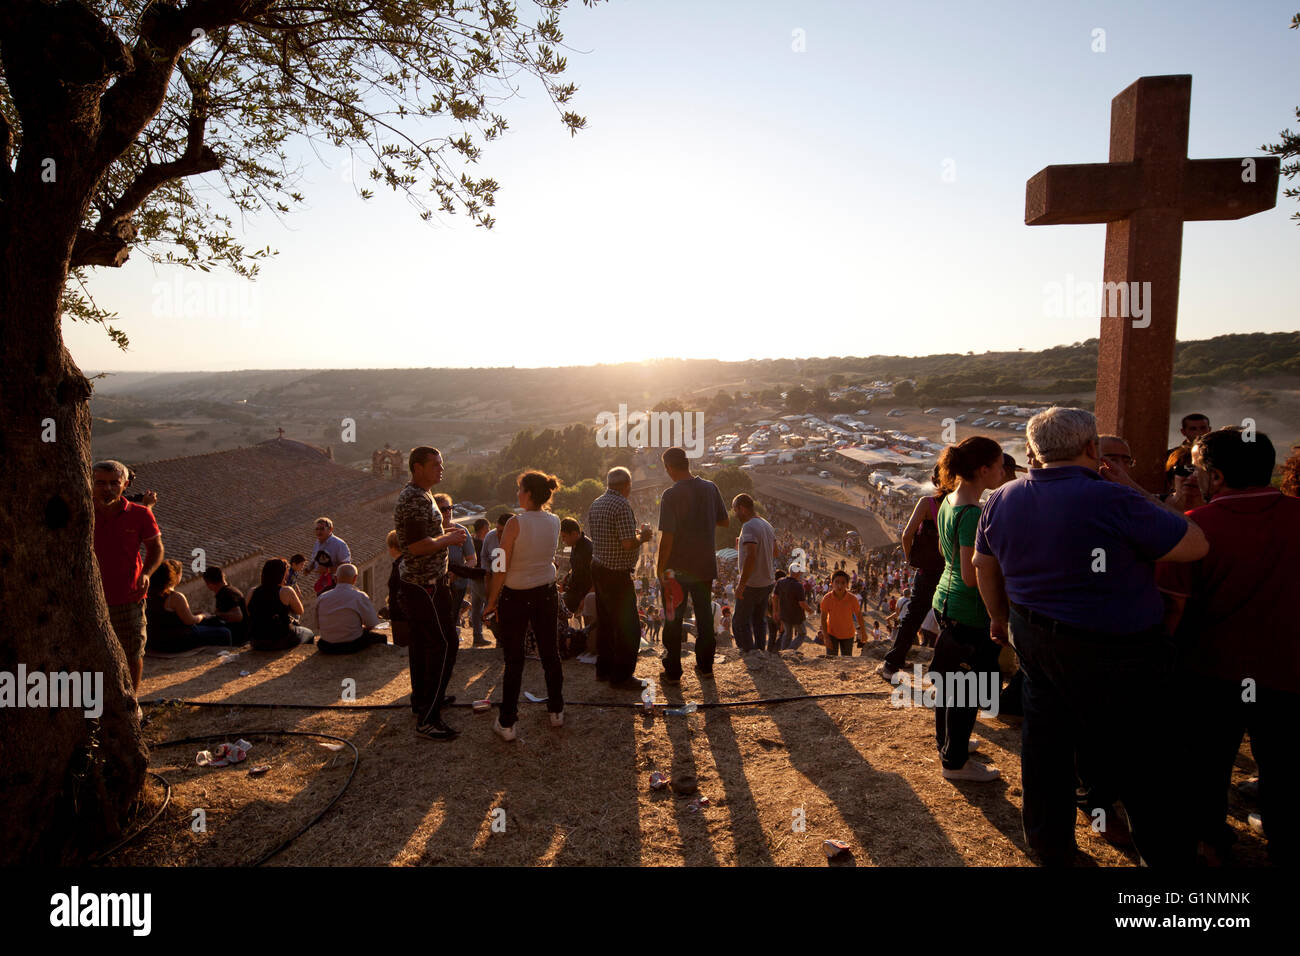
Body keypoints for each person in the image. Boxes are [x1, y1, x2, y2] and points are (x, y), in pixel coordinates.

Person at [972, 407, 1208, 866]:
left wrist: (998, 619)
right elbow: (1195, 544)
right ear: (1090, 449)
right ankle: (1164, 858)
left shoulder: (1001, 499)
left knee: (1045, 747)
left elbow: (983, 567)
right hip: (1118, 650)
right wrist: (1135, 487)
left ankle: (1050, 848)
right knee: (1143, 761)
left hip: (1035, 639)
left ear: (1035, 450)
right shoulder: (1115, 499)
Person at [1157, 427, 1300, 865]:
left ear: (1215, 477)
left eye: (1196, 469)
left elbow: (1172, 612)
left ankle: (1209, 843)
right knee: (1286, 766)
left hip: (1211, 673)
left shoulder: (1194, 529)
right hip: (1289, 672)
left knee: (1206, 766)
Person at [928, 436, 1005, 783]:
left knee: (950, 683)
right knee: (969, 688)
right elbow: (973, 577)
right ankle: (956, 763)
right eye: (1001, 465)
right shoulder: (973, 513)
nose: (1004, 471)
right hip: (968, 608)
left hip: (945, 599)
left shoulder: (948, 501)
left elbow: (951, 562)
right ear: (983, 469)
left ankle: (949, 744)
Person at [394, 446, 470, 740]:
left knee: (427, 645)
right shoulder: (414, 499)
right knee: (445, 644)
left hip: (425, 582)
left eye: (442, 464)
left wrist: (444, 532)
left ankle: (425, 700)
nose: (442, 469)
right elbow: (415, 546)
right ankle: (428, 718)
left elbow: (422, 538)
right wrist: (448, 538)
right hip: (424, 584)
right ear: (417, 467)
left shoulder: (420, 495)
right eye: (436, 464)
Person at [484, 471, 565, 741]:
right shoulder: (554, 521)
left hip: (516, 595)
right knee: (549, 653)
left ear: (528, 493)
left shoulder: (514, 524)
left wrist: (491, 602)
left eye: (520, 489)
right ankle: (557, 710)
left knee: (514, 659)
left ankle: (507, 722)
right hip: (546, 592)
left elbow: (500, 567)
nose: (517, 493)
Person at [656, 447, 730, 685]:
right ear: (687, 464)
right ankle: (706, 667)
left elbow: (667, 537)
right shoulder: (710, 488)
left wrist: (660, 569)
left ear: (669, 468)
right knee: (704, 618)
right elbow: (724, 520)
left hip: (675, 568)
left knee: (673, 619)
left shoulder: (670, 495)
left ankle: (673, 672)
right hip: (704, 566)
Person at [91, 459, 163, 698]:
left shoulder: (141, 515)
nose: (107, 489)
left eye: (114, 483)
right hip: (87, 598)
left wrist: (146, 574)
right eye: (100, 483)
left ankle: (130, 703)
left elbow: (156, 549)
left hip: (128, 597)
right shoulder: (81, 512)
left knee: (132, 653)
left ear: (126, 484)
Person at [587, 467, 655, 689]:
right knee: (629, 627)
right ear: (627, 485)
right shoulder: (622, 505)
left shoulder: (596, 503)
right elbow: (627, 543)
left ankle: (603, 670)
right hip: (616, 573)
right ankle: (622, 676)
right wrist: (643, 537)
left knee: (606, 623)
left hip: (599, 567)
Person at [146, 560, 233, 652]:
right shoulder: (175, 597)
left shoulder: (149, 595)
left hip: (155, 640)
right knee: (224, 632)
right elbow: (190, 621)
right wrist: (202, 616)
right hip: (176, 640)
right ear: (176, 576)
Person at [731, 494, 778, 654]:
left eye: (735, 509)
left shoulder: (749, 526)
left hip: (753, 583)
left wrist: (741, 585)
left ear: (742, 508)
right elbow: (776, 552)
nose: (734, 513)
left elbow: (751, 556)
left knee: (739, 622)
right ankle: (759, 651)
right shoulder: (766, 524)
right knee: (759, 620)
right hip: (767, 581)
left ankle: (748, 653)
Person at [316, 564, 387, 654]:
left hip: (326, 646)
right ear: (355, 578)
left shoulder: (322, 597)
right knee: (382, 638)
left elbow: (318, 625)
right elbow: (372, 624)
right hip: (351, 645)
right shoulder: (359, 596)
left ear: (336, 578)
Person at [247, 558, 316, 650]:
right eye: (286, 572)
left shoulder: (252, 591)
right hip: (279, 639)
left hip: (256, 641)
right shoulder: (286, 591)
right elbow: (300, 611)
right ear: (282, 574)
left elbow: (248, 612)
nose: (287, 575)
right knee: (309, 633)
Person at [818, 569, 864, 655]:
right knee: (831, 661)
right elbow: (823, 619)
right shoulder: (827, 599)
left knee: (846, 661)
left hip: (848, 635)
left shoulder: (852, 599)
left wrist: (864, 633)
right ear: (831, 584)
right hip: (831, 634)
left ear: (847, 585)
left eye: (843, 583)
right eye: (837, 582)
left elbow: (859, 616)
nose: (840, 585)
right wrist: (826, 637)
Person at [202, 566, 249, 645]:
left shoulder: (226, 594)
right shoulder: (229, 590)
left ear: (209, 583)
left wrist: (215, 615)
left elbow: (238, 616)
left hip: (238, 637)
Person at [560, 516, 594, 617]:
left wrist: (586, 599)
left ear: (574, 534)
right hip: (573, 593)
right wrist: (566, 578)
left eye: (564, 537)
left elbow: (598, 577)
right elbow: (576, 567)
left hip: (583, 596)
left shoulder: (588, 549)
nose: (563, 540)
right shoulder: (575, 546)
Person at [773, 566, 811, 650]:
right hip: (796, 615)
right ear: (797, 573)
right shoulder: (798, 585)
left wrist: (775, 611)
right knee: (802, 633)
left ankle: (784, 651)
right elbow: (802, 603)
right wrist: (810, 610)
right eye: (800, 571)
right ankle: (790, 650)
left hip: (784, 613)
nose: (801, 573)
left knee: (787, 634)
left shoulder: (781, 582)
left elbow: (775, 597)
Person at [306, 517, 350, 587]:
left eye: (322, 529)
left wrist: (327, 570)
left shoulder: (339, 544)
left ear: (330, 529)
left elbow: (346, 567)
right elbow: (315, 560)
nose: (318, 532)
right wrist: (309, 568)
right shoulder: (317, 543)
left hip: (335, 585)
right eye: (317, 529)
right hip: (321, 584)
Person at [384, 531, 410, 648]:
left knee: (402, 647)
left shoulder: (400, 565)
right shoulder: (406, 562)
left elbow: (400, 590)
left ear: (394, 547)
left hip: (401, 616)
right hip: (403, 614)